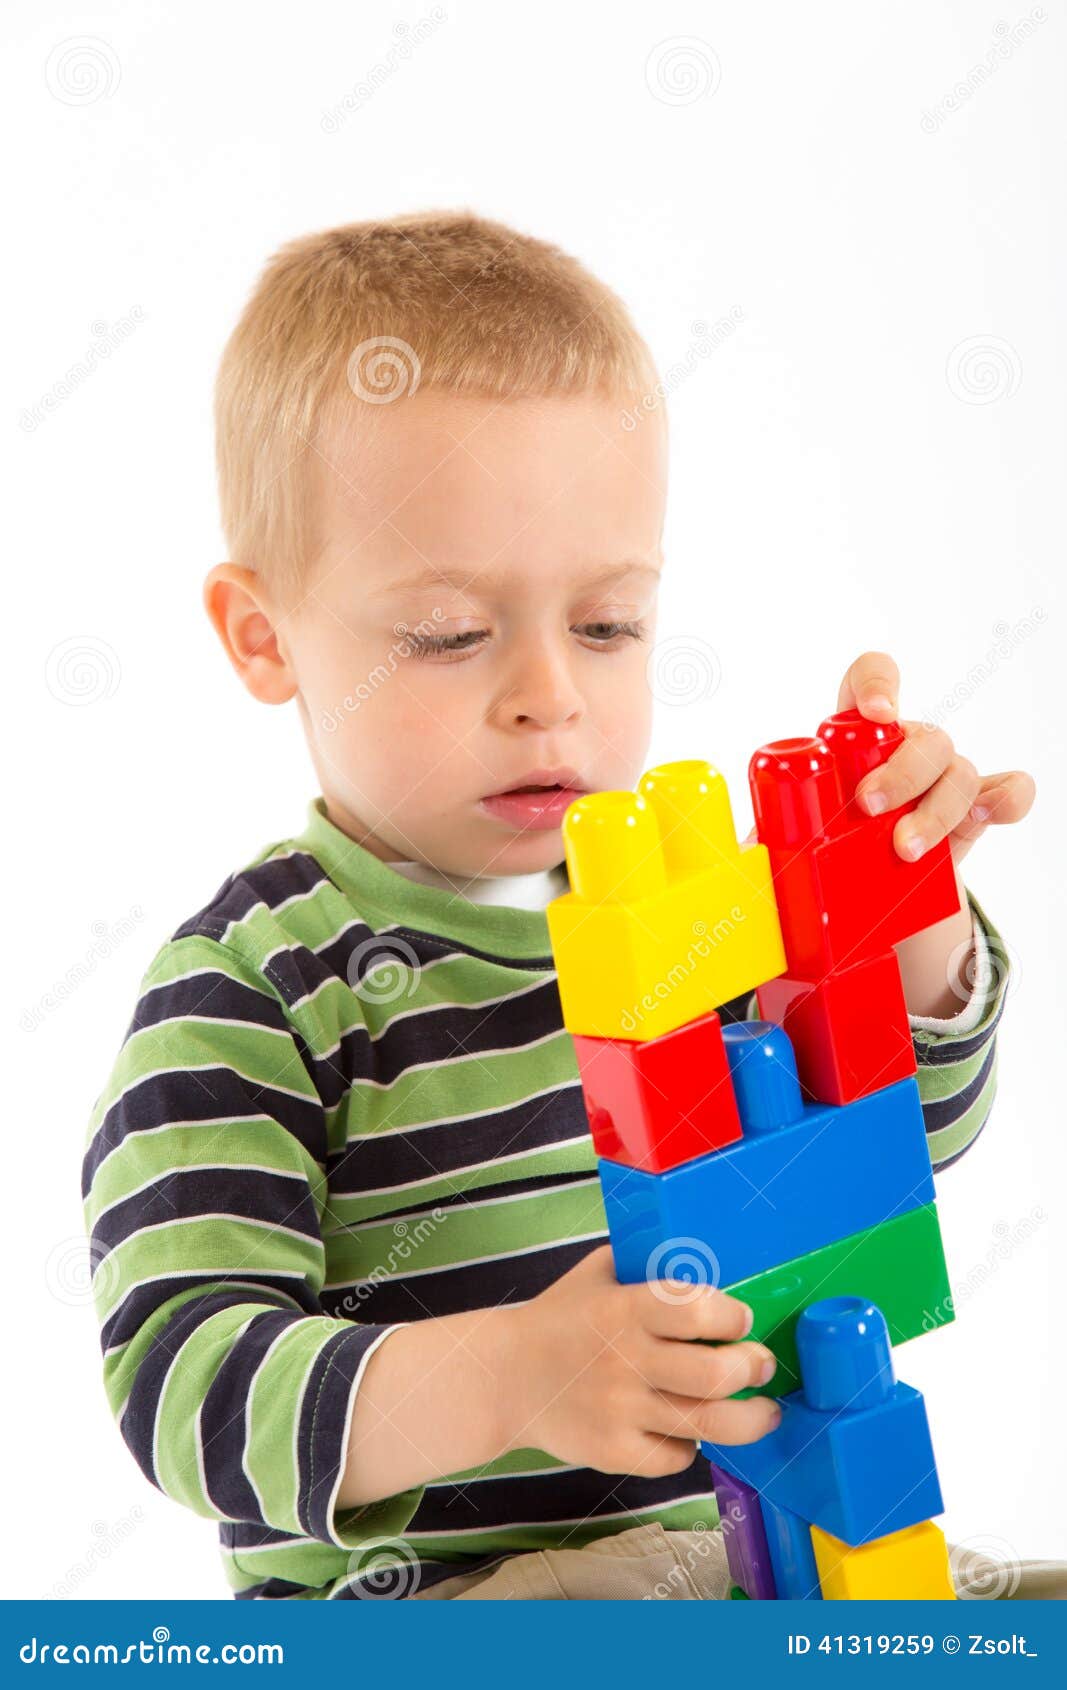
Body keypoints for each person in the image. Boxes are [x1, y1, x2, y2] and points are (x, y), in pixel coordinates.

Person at [81, 210, 1043, 1601]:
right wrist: (513, 1375)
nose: (552, 691)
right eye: (451, 633)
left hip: (754, 1551)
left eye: (607, 623)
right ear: (265, 634)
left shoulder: (693, 914)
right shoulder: (256, 992)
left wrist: (907, 925)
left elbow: (899, 1155)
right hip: (452, 1607)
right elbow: (187, 1388)